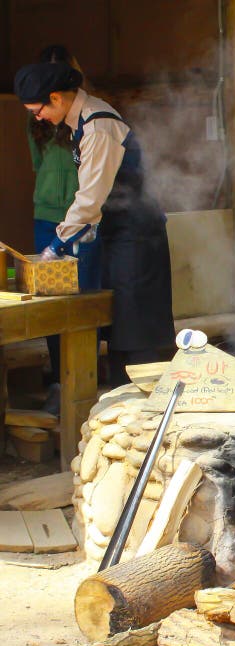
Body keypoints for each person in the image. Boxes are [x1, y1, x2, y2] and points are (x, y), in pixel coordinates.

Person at [14, 60, 174, 387]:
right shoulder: (81, 122)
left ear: (56, 98)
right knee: (117, 324)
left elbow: (89, 199)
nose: (37, 117)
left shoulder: (99, 127)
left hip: (137, 235)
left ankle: (141, 407)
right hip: (117, 233)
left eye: (37, 110)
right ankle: (119, 397)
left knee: (136, 330)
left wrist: (56, 246)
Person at [27, 46, 99, 411]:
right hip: (46, 216)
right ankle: (58, 380)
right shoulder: (37, 118)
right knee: (52, 299)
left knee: (83, 296)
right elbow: (37, 162)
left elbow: (92, 180)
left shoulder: (87, 119)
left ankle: (85, 382)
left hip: (77, 218)